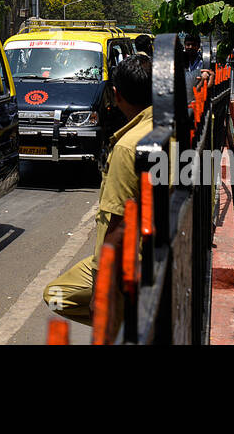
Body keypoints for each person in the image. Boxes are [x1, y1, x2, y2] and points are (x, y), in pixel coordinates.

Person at [43, 55, 153, 331]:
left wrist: (101, 286)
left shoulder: (127, 147)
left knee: (57, 298)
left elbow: (118, 225)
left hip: (124, 263)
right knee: (56, 294)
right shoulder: (165, 126)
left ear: (115, 96)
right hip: (151, 251)